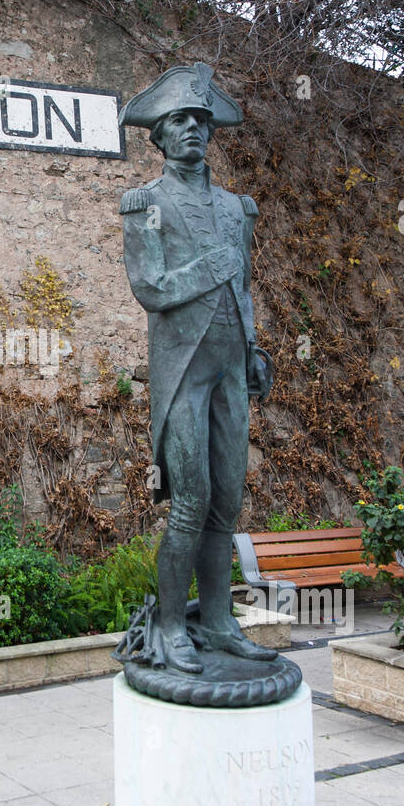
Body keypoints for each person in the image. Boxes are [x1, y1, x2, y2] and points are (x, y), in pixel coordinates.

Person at [118, 63, 275, 674]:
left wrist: (253, 349)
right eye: (179, 121)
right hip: (182, 369)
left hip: (231, 368)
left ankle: (217, 622)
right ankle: (168, 625)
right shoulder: (146, 204)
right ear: (158, 136)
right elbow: (151, 287)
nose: (192, 130)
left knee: (227, 501)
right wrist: (208, 267)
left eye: (200, 121)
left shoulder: (240, 210)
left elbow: (247, 289)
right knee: (191, 498)